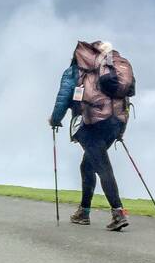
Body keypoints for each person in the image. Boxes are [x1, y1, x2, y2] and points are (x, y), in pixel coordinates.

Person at [48, 40, 130, 231]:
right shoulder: (112, 70)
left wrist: (54, 120)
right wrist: (120, 129)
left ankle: (118, 213)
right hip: (114, 124)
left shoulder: (75, 71)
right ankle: (83, 212)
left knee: (102, 166)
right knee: (87, 166)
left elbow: (63, 97)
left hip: (90, 123)